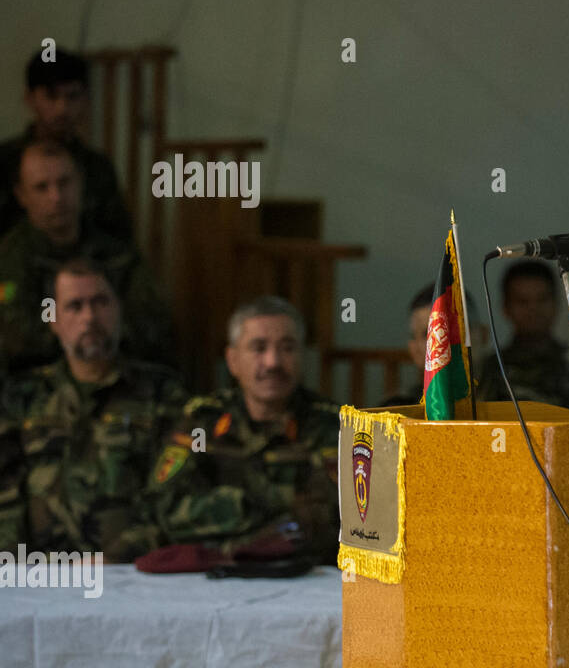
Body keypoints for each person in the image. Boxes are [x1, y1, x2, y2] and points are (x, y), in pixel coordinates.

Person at [0, 259, 186, 561]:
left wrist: (119, 555)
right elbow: (5, 495)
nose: (89, 317)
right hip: (39, 577)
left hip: (132, 572)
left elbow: (176, 491)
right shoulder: (22, 397)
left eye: (100, 302)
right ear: (53, 319)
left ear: (119, 310)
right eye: (75, 306)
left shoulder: (164, 393)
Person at [144, 296, 341, 566]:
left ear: (302, 357)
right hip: (213, 576)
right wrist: (267, 506)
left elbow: (340, 521)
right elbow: (167, 508)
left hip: (306, 577)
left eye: (287, 348)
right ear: (233, 360)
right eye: (259, 348)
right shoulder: (202, 423)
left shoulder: (335, 425)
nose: (273, 362)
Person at [0, 137, 173, 375]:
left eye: (64, 183)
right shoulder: (10, 259)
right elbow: (15, 336)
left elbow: (151, 323)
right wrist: (86, 336)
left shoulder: (116, 254)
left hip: (117, 376)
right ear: (21, 195)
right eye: (42, 187)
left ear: (81, 183)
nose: (56, 197)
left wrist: (99, 338)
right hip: (36, 385)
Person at [0, 49, 131, 239]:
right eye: (51, 96)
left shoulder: (98, 167)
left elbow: (119, 238)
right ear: (30, 99)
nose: (62, 108)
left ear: (85, 99)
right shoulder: (6, 162)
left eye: (72, 96)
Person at [478, 259, 569, 414]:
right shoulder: (492, 369)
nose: (533, 309)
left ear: (557, 303)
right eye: (522, 302)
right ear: (506, 307)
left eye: (542, 299)